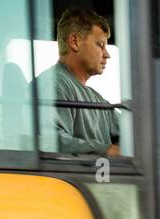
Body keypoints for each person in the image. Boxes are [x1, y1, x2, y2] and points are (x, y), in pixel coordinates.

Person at [35, 8, 120, 156]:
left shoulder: (98, 100)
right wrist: (106, 151)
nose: (107, 54)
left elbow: (131, 135)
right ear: (75, 42)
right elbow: (49, 141)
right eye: (100, 45)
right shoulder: (52, 84)